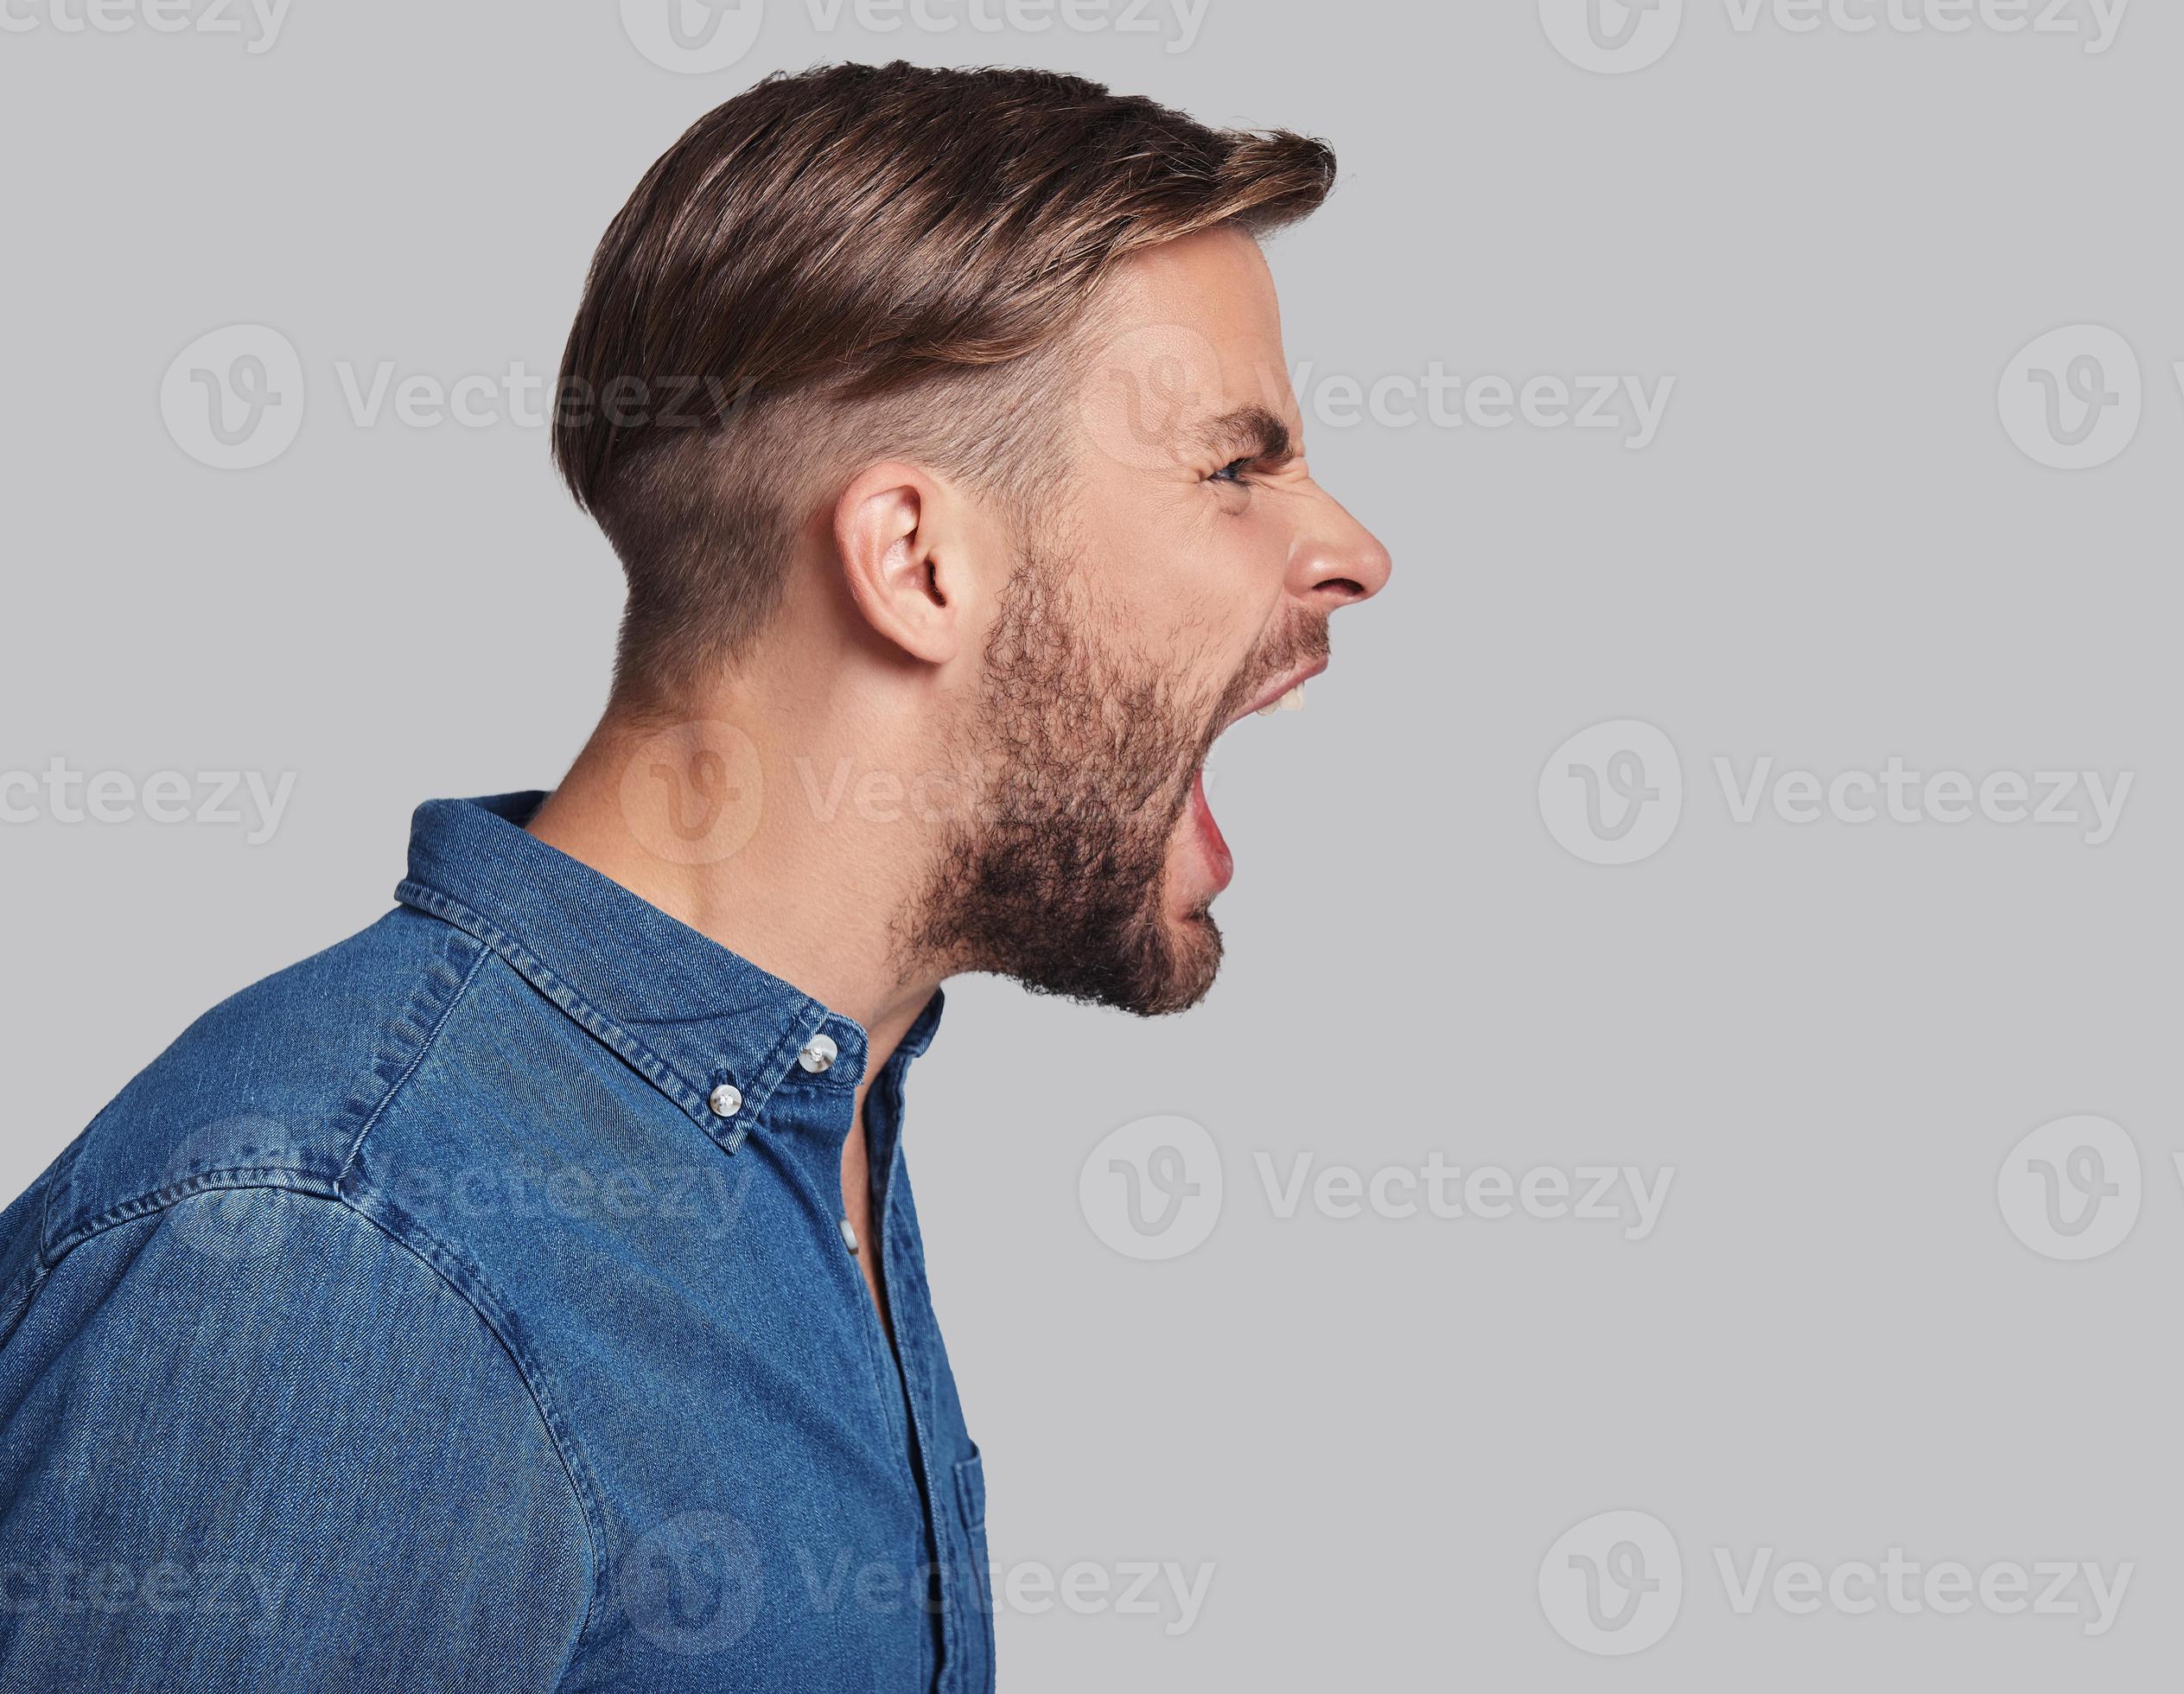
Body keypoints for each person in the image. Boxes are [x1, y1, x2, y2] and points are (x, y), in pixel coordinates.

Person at [0, 60, 1389, 1690]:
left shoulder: (808, 1116)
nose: (1352, 552)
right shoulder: (337, 1260)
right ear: (917, 562)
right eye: (1232, 470)